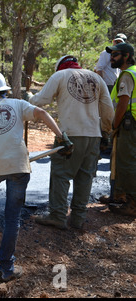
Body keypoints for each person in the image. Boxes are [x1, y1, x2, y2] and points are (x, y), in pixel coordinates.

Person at [0, 71, 71, 282]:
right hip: (19, 167)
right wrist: (62, 138)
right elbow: (41, 112)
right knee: (12, 217)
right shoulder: (18, 104)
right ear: (3, 91)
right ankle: (6, 268)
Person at [29, 55, 114, 229]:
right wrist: (105, 132)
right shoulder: (96, 78)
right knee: (85, 177)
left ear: (59, 66)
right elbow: (107, 109)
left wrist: (29, 98)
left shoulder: (60, 76)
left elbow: (41, 100)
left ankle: (58, 216)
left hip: (69, 136)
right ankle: (78, 219)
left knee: (61, 175)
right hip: (93, 136)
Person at [106, 42, 136, 216]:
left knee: (127, 163)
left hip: (128, 124)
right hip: (132, 123)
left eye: (116, 54)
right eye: (111, 54)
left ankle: (131, 204)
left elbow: (122, 104)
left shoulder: (126, 75)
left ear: (126, 56)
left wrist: (114, 126)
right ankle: (121, 196)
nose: (112, 57)